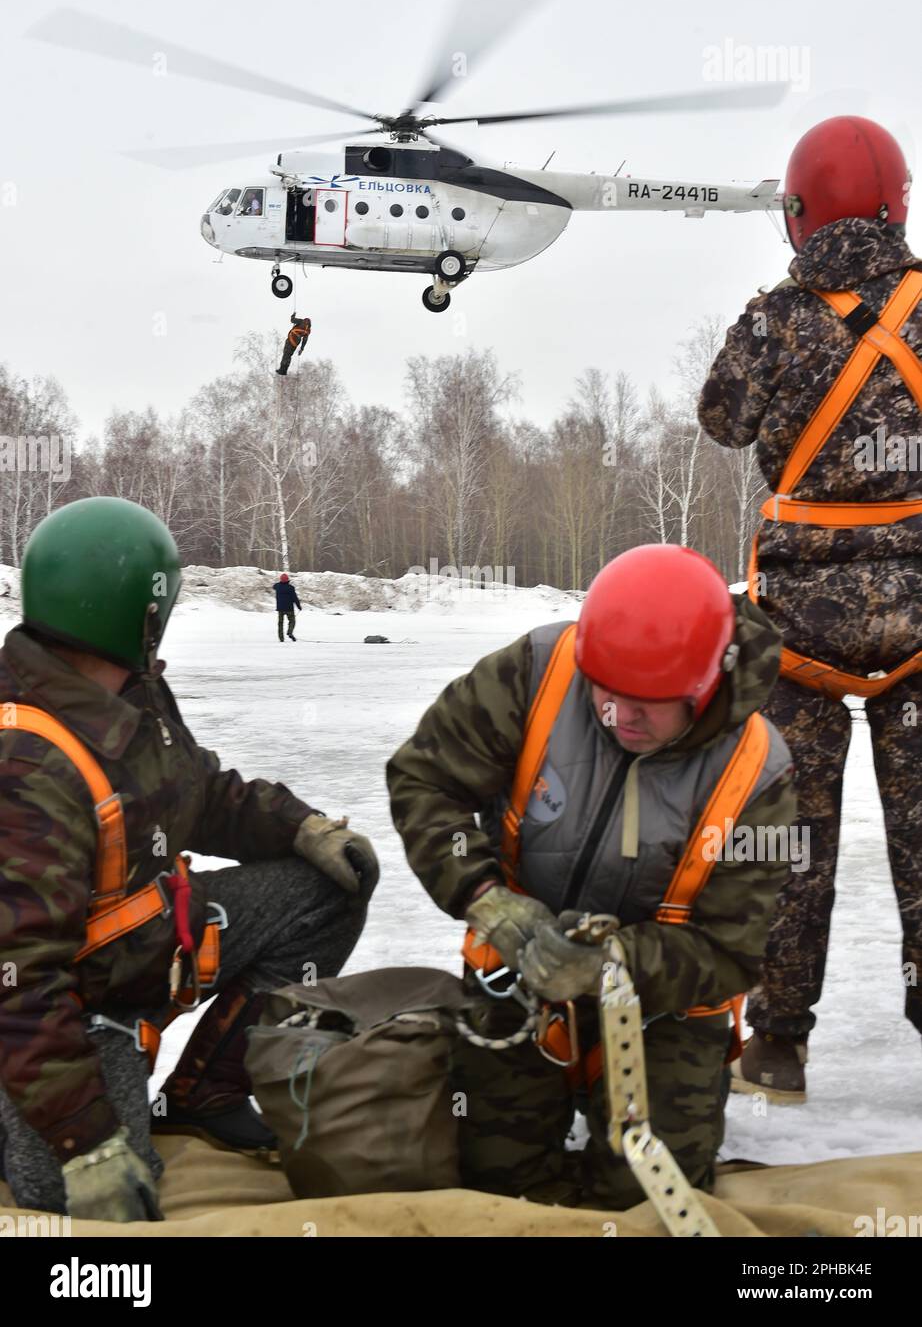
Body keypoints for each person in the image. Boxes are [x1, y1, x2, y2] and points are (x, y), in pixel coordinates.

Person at [0, 497, 379, 1222]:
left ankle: (206, 1089)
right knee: (86, 1190)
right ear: (144, 617)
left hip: (140, 944)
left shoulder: (131, 692)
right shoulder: (27, 766)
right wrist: (85, 1140)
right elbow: (18, 981)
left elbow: (198, 795)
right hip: (66, 999)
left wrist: (302, 829)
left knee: (329, 890)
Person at [387, 545, 796, 1209]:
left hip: (665, 1007)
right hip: (515, 973)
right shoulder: (535, 672)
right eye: (606, 694)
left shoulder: (761, 775)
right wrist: (486, 899)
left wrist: (609, 964)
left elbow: (729, 952)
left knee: (642, 1202)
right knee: (492, 1187)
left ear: (709, 682)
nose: (618, 717)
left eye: (649, 705)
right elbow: (425, 778)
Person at [699, 116, 922, 1103]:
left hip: (800, 637)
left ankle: (778, 1046)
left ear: (797, 213)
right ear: (897, 204)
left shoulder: (775, 316)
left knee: (793, 847)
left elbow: (719, 418)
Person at [272, 572, 302, 642]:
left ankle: (281, 639)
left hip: (280, 608)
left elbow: (274, 586)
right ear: (287, 580)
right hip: (289, 608)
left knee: (280, 623)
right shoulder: (291, 588)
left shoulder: (277, 586)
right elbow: (295, 598)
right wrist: (299, 606)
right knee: (292, 621)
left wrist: (279, 583)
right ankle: (290, 632)